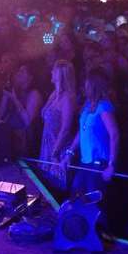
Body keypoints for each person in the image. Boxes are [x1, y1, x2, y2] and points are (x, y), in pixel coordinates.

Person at [61, 67, 120, 198]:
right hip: (86, 160)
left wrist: (111, 164)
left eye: (86, 82)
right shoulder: (88, 105)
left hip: (99, 161)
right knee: (76, 194)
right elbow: (82, 131)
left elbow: (114, 134)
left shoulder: (104, 106)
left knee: (91, 199)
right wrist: (69, 153)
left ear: (92, 85)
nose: (84, 85)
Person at [39, 59, 77, 192]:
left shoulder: (67, 98)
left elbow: (66, 128)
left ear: (61, 74)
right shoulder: (54, 94)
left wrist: (54, 153)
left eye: (54, 70)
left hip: (58, 148)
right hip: (47, 144)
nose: (51, 72)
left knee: (56, 188)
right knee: (45, 188)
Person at [0, 62, 43, 155]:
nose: (18, 73)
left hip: (25, 142)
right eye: (19, 71)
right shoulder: (17, 91)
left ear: (30, 77)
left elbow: (28, 122)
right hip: (10, 138)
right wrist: (6, 97)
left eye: (22, 71)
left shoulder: (35, 94)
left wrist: (14, 99)